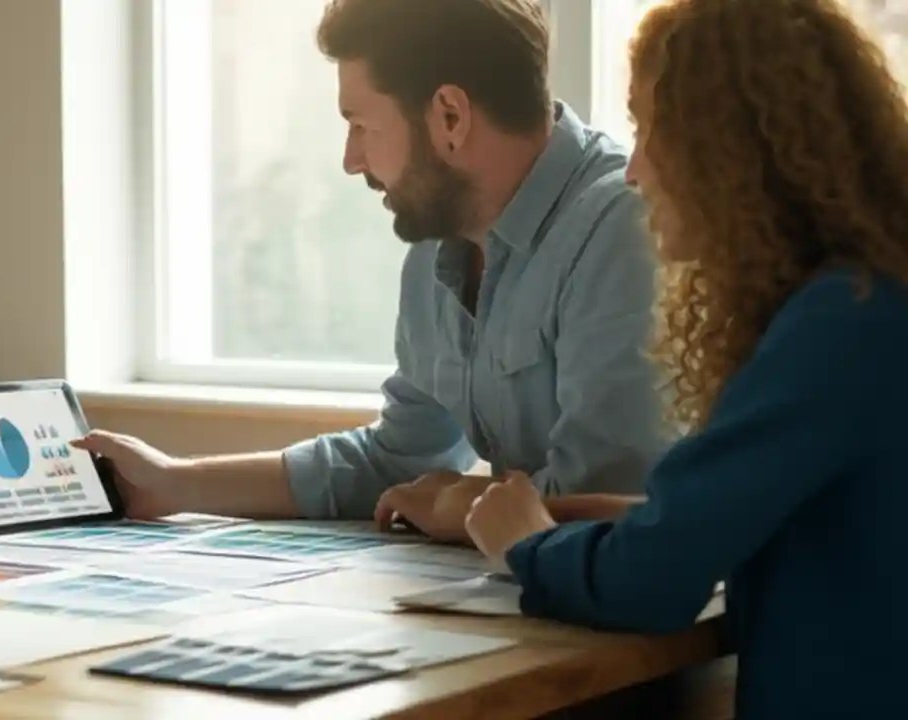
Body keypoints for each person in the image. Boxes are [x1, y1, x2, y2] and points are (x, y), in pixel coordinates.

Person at [74, 0, 670, 540]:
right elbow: (397, 460)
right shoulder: (438, 247)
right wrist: (177, 483)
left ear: (450, 117)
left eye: (360, 124)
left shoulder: (623, 226)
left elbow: (609, 499)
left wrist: (459, 504)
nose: (350, 158)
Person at [465, 0, 908, 717]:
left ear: (729, 148)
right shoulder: (871, 298)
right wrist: (645, 517)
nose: (633, 171)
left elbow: (647, 583)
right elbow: (810, 521)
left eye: (647, 129)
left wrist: (524, 544)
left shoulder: (839, 323)